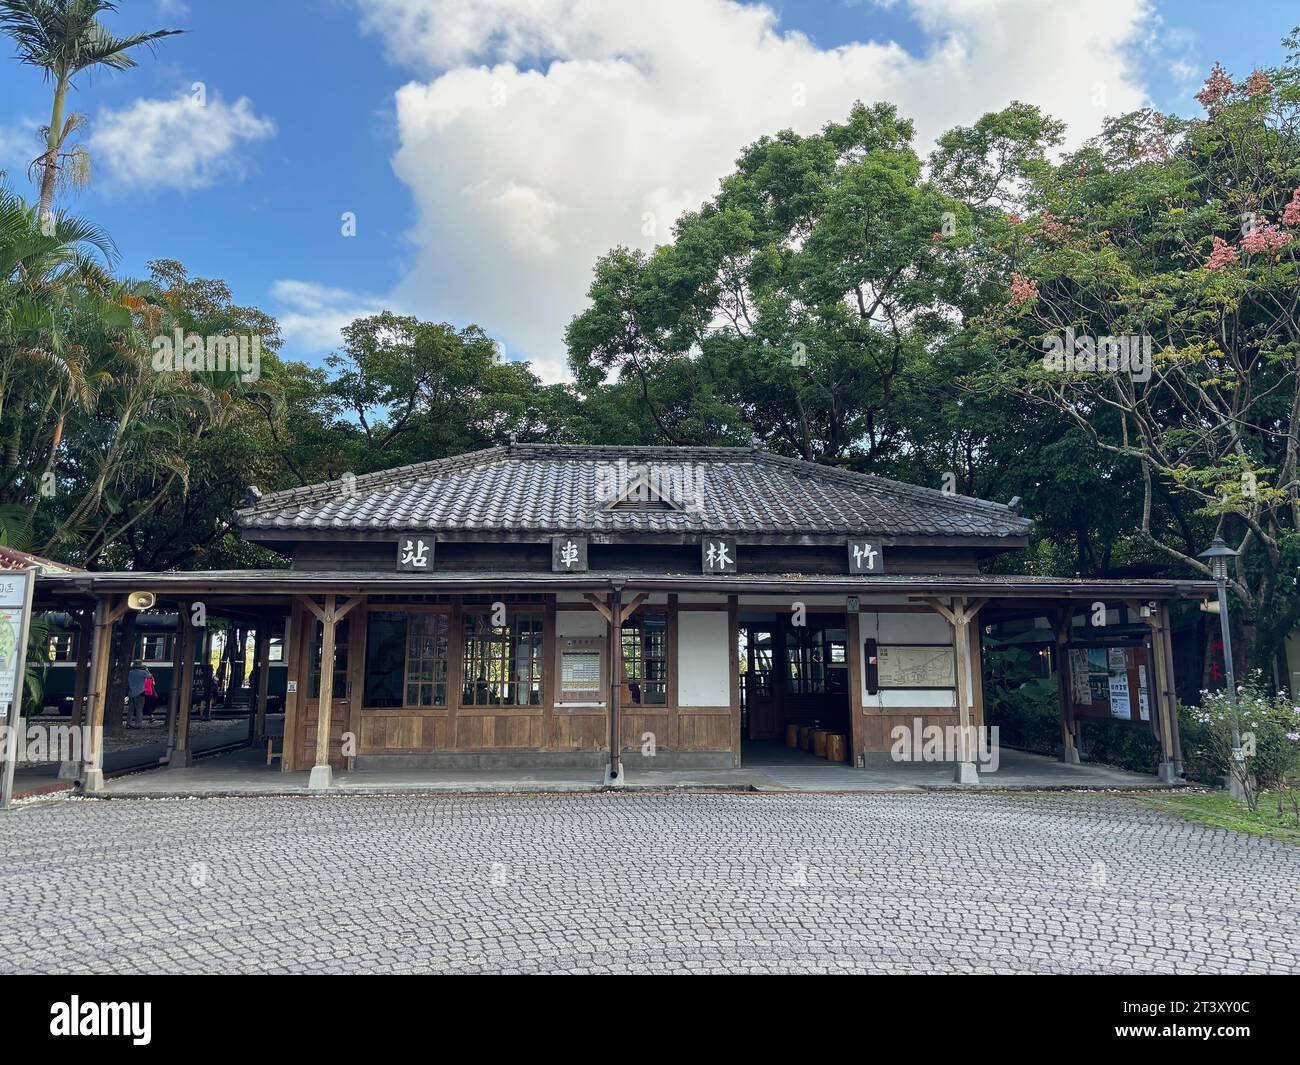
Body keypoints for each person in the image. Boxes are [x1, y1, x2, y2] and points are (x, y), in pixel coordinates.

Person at [126, 660, 153, 729]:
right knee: (139, 709)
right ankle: (138, 725)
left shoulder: (130, 673)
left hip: (131, 693)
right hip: (140, 693)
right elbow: (150, 676)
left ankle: (128, 723)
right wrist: (146, 669)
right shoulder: (143, 673)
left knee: (130, 709)